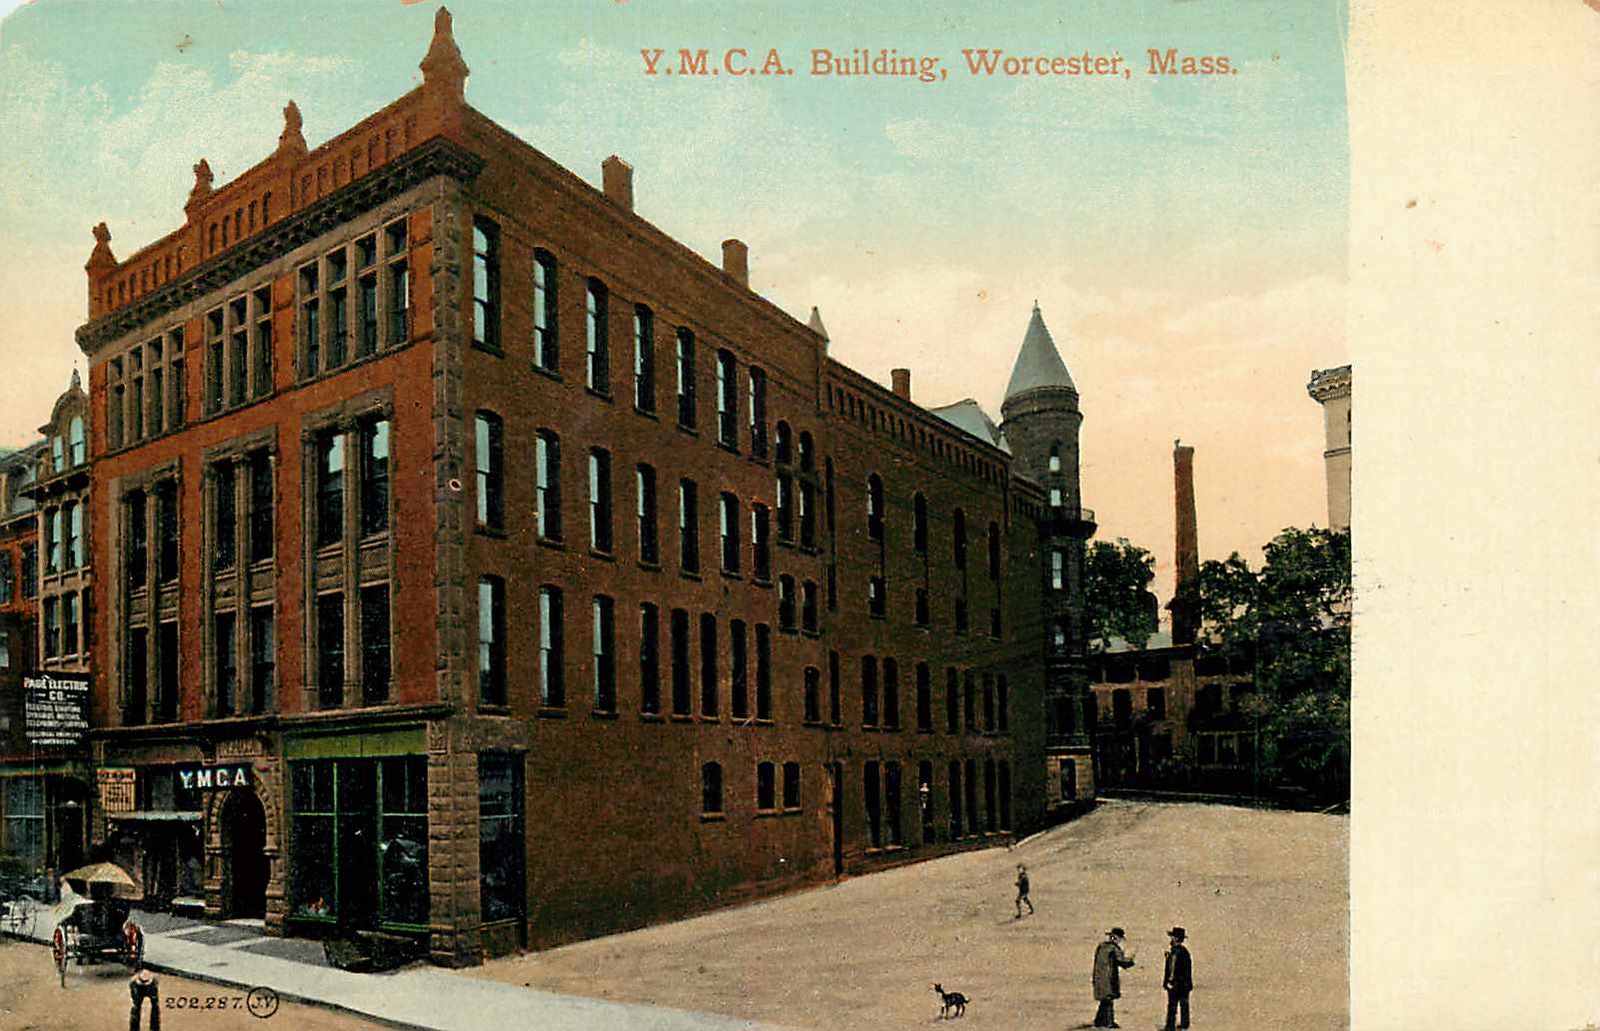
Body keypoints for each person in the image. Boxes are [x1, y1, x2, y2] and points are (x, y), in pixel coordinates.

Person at [1092, 927, 1135, 1028]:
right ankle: (1108, 1022)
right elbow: (1123, 962)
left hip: (1099, 978)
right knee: (1108, 1001)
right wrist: (1131, 959)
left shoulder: (1101, 946)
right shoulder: (1113, 948)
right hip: (1109, 978)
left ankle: (1099, 1021)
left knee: (1104, 1001)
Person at [1163, 927, 1193, 1031]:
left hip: (1180, 984)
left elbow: (1184, 971)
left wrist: (1174, 981)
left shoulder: (1182, 953)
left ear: (1176, 938)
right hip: (1177, 983)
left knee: (1179, 1004)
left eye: (1172, 937)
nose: (1171, 939)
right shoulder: (1174, 952)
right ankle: (1174, 1025)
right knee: (1174, 1004)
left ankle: (1177, 1025)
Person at [129, 965, 161, 1031]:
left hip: (151, 983)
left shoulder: (154, 981)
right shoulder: (133, 982)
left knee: (155, 1006)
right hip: (138, 984)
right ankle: (134, 1028)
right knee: (136, 1006)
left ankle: (155, 1028)